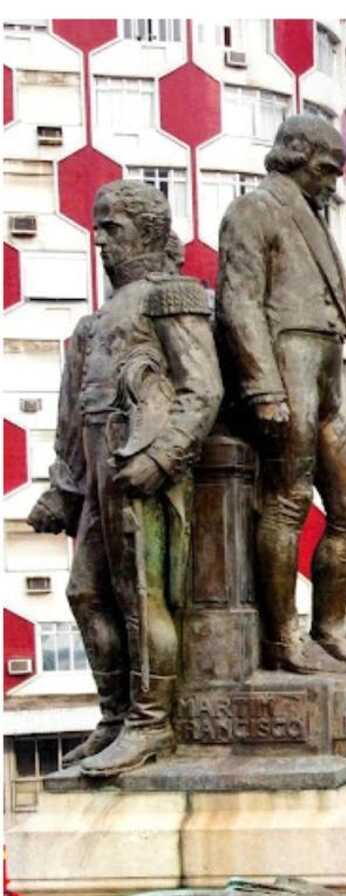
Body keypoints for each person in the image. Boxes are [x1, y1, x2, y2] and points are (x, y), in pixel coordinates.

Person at [28, 181, 222, 776]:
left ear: (147, 231)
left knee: (142, 597)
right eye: (98, 227)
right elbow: (72, 417)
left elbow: (202, 389)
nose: (100, 240)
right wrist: (62, 488)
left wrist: (161, 458)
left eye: (112, 228)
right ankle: (114, 716)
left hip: (139, 463)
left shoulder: (171, 296)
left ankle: (150, 722)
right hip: (97, 469)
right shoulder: (92, 325)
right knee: (86, 592)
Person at [217, 114, 346, 674]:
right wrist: (263, 386)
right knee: (287, 499)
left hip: (327, 364)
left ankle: (329, 629)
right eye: (325, 170)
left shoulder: (311, 214)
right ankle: (282, 637)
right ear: (294, 156)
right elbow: (239, 301)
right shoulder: (254, 209)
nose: (332, 183)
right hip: (287, 357)